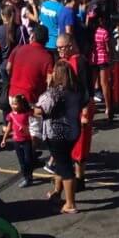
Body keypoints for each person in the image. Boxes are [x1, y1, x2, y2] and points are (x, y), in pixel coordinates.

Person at [36, 61, 83, 214]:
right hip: (73, 130)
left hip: (57, 134)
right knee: (60, 160)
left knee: (64, 166)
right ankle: (57, 192)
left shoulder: (53, 93)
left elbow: (40, 110)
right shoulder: (76, 90)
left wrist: (48, 86)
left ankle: (70, 203)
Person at [5, 95, 36, 185]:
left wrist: (26, 128)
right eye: (12, 104)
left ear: (21, 105)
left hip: (27, 140)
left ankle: (29, 175)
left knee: (28, 160)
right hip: (16, 140)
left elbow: (33, 125)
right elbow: (9, 127)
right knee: (21, 161)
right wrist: (4, 139)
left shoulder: (27, 114)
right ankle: (26, 177)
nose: (13, 106)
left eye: (15, 104)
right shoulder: (11, 115)